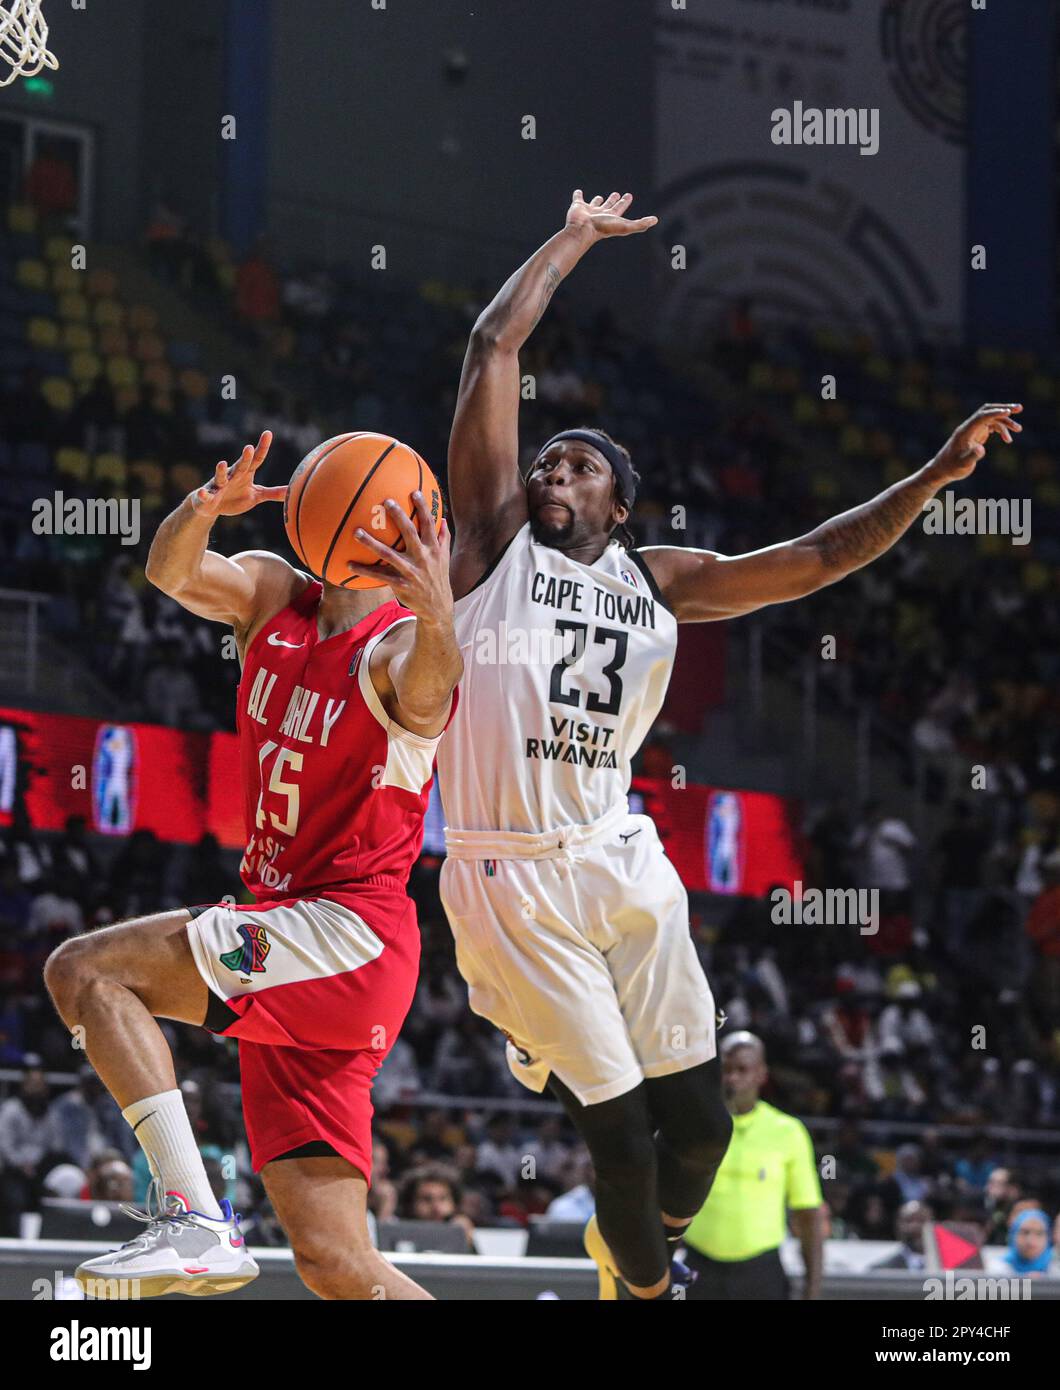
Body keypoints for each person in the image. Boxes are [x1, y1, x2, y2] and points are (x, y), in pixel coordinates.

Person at [431, 183, 1024, 1300]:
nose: (551, 472)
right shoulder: (491, 545)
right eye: (545, 460)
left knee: (694, 1134)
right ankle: (644, 1287)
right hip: (507, 864)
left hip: (618, 856)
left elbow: (817, 556)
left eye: (578, 465)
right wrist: (567, 241)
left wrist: (936, 478)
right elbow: (491, 345)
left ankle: (630, 1246)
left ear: (622, 503)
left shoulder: (663, 581)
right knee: (618, 1140)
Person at [44, 429, 462, 1300]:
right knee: (336, 1263)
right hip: (296, 937)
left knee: (87, 971)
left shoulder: (394, 653)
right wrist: (204, 508)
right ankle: (198, 1227)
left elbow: (432, 692)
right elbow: (172, 573)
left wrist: (438, 610)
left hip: (345, 933)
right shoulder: (274, 592)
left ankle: (190, 1221)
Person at [682, 1032, 823, 1299]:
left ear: (761, 1074)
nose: (732, 1077)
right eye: (725, 1069)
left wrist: (812, 1289)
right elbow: (664, 1202)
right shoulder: (692, 1125)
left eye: (742, 1069)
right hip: (699, 1267)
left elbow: (808, 1216)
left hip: (762, 1274)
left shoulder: (788, 1132)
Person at [870, 1200, 934, 1270]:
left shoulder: (946, 1267)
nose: (915, 1226)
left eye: (921, 1220)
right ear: (898, 1225)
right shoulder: (881, 1270)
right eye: (909, 1220)